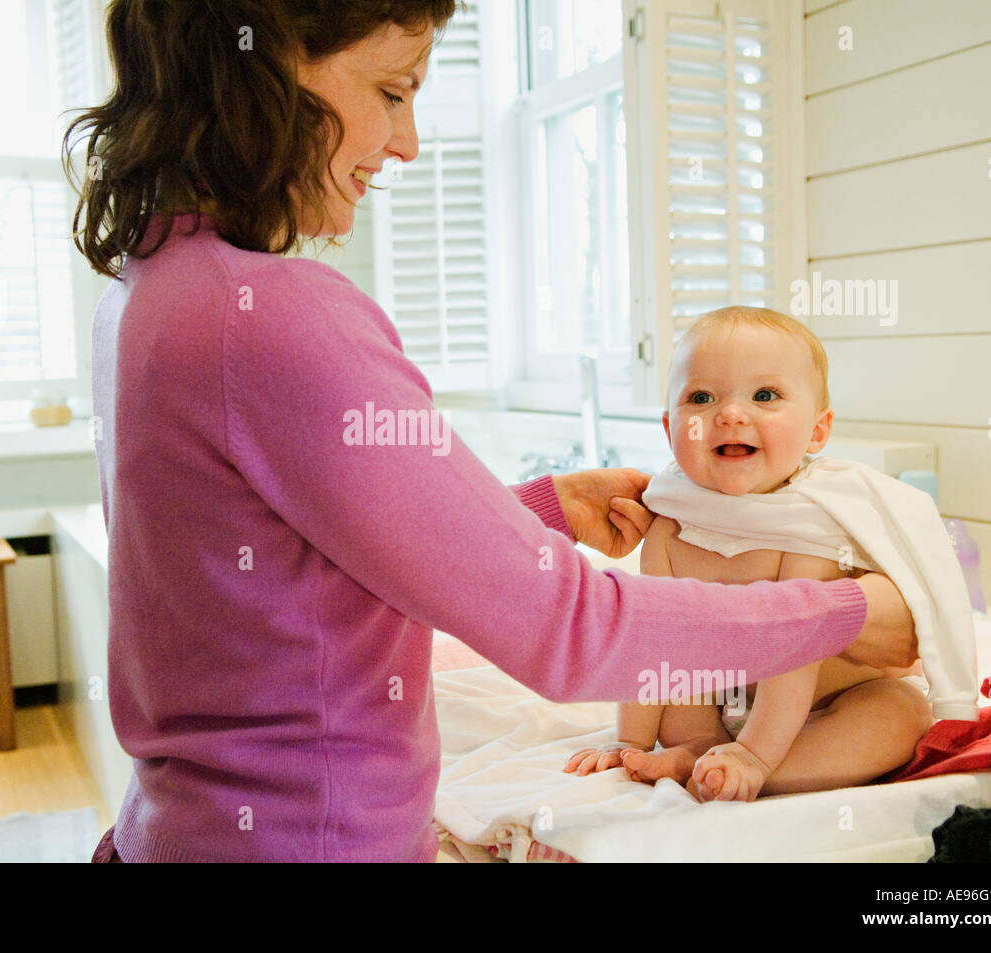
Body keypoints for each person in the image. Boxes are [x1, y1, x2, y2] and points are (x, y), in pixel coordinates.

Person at [65, 0, 918, 862]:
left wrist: (542, 510)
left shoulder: (146, 298)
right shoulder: (275, 319)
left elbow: (296, 568)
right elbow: (569, 630)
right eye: (393, 92)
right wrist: (841, 615)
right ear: (267, 64)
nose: (409, 142)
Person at [564, 308, 941, 802]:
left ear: (817, 432)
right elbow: (651, 640)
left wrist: (756, 756)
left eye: (765, 395)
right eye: (701, 397)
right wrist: (629, 739)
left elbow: (793, 654)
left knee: (902, 715)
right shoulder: (671, 530)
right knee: (681, 682)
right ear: (668, 429)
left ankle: (743, 770)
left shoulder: (811, 528)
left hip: (833, 699)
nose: (731, 414)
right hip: (726, 703)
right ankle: (702, 749)